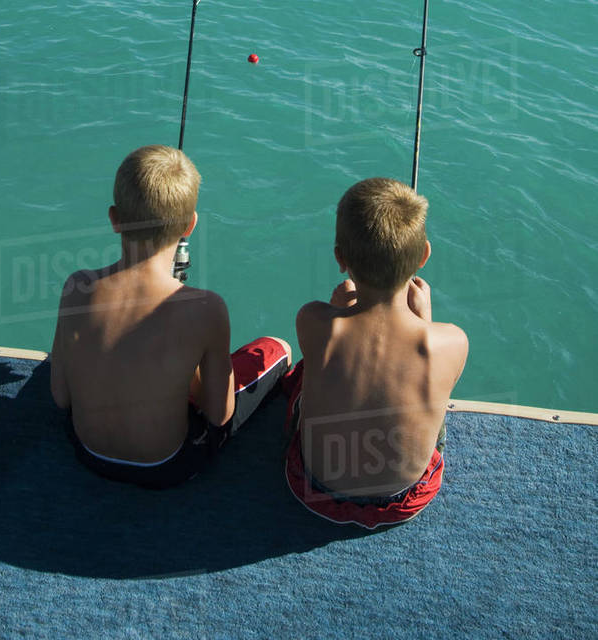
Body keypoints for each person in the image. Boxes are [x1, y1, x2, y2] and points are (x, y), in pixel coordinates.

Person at [50, 144, 291, 488]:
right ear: (190, 225)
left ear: (114, 218)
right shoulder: (207, 308)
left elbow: (60, 397)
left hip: (86, 452)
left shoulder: (76, 287)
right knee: (277, 349)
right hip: (166, 468)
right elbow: (218, 415)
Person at [284, 177, 468, 527]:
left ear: (340, 258)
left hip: (313, 491)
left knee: (304, 379)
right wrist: (424, 320)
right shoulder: (452, 341)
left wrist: (337, 310)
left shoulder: (314, 320)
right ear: (424, 255)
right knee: (432, 395)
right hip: (403, 501)